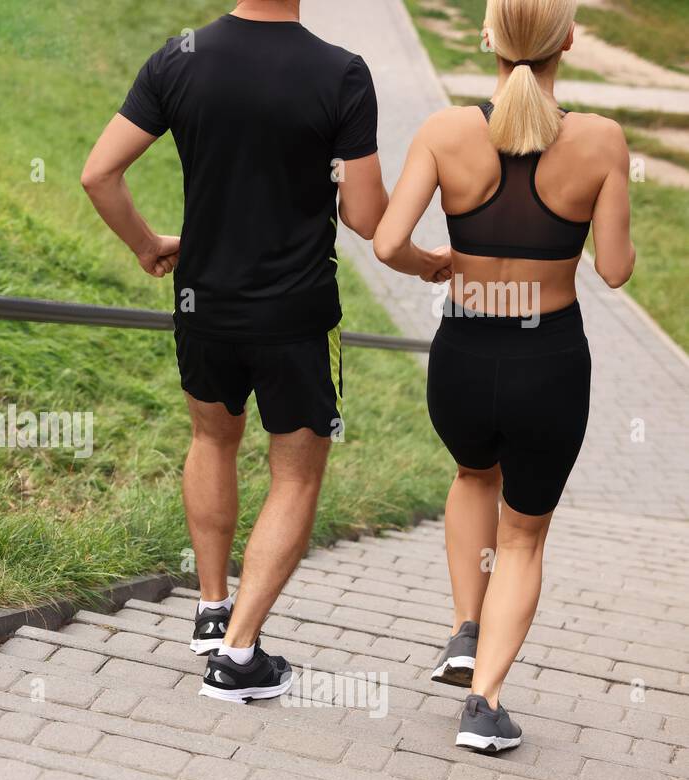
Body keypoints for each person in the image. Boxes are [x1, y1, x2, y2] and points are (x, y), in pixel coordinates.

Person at [83, 0, 450, 702]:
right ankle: (238, 655)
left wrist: (147, 245)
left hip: (203, 305)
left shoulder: (178, 56)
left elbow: (98, 174)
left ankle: (213, 605)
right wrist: (426, 250)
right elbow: (368, 219)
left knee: (211, 440)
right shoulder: (339, 73)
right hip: (296, 316)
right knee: (296, 476)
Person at [374, 0, 634, 752]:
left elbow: (389, 240)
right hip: (548, 363)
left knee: (471, 475)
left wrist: (436, 264)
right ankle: (484, 704)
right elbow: (614, 271)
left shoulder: (445, 130)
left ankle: (465, 630)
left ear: (489, 36)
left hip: (462, 354)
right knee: (522, 535)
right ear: (570, 41)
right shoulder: (602, 141)